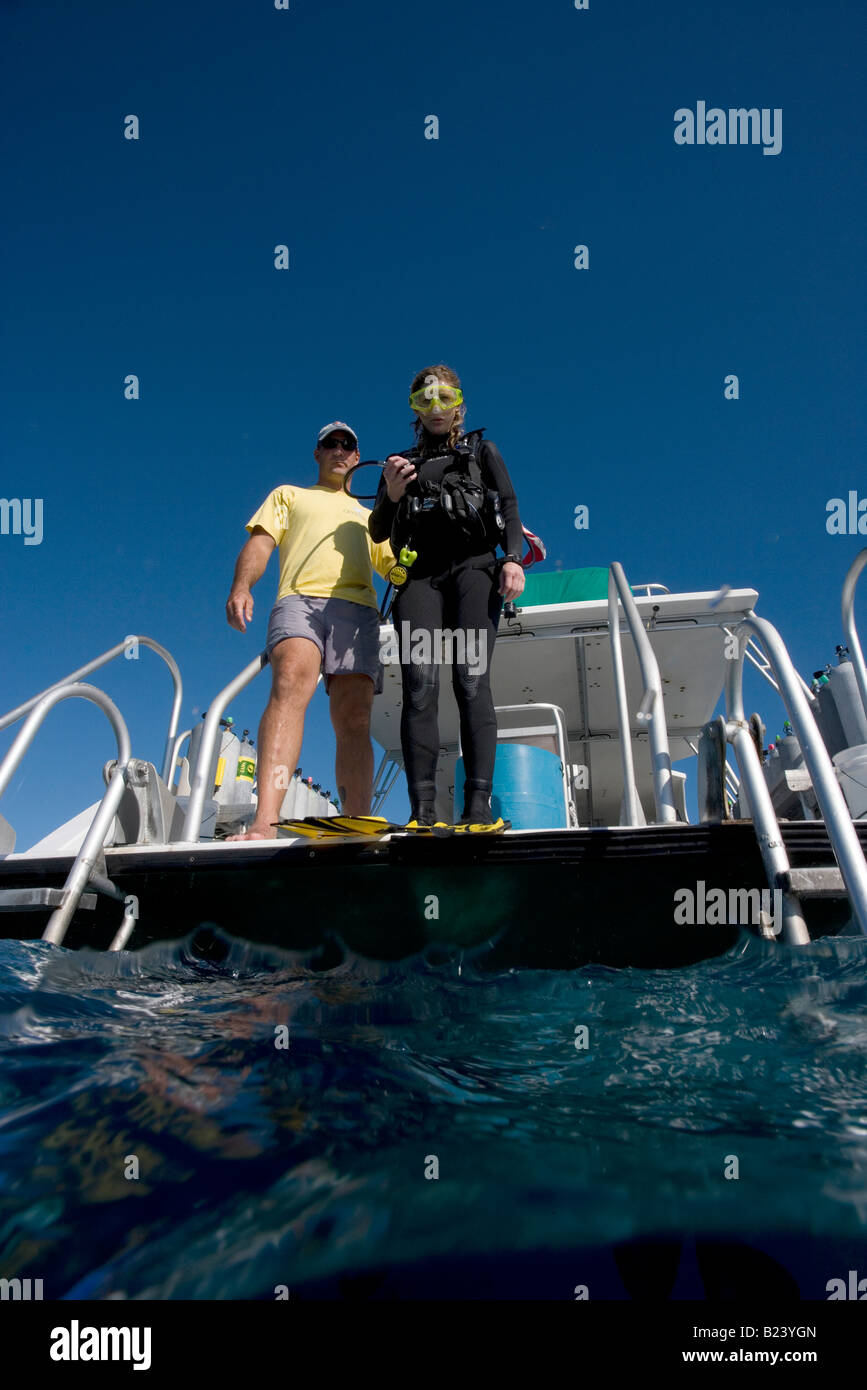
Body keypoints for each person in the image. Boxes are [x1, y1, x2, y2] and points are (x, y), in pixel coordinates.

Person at [369, 365, 525, 826]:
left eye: (444, 397)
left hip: (475, 570)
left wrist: (512, 558)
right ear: (414, 408)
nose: (435, 408)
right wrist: (394, 492)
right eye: (424, 400)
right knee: (420, 687)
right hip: (420, 579)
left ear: (459, 402)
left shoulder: (482, 451)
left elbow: (510, 505)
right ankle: (421, 813)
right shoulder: (398, 464)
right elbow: (379, 529)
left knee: (470, 680)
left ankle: (477, 809)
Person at [225, 422, 394, 840]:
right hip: (299, 600)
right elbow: (261, 545)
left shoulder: (370, 516)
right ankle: (265, 821)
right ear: (317, 454)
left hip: (357, 610)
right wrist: (242, 587)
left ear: (357, 458)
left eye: (347, 445)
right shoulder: (288, 495)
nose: (339, 450)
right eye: (330, 444)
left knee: (354, 717)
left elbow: (396, 566)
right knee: (288, 688)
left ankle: (356, 823)